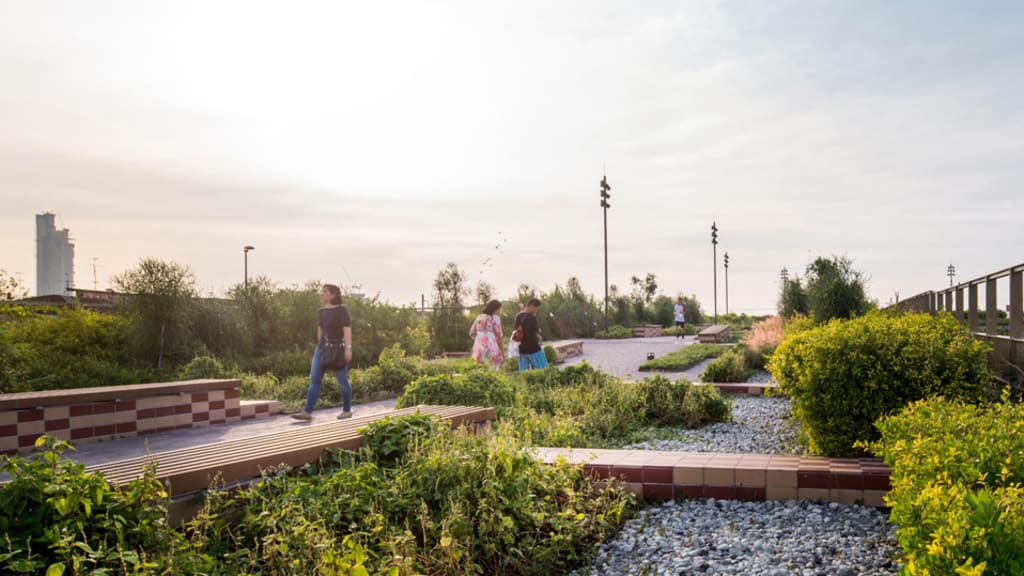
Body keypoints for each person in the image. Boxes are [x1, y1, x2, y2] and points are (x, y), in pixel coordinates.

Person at [292, 284, 353, 421]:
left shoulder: (342, 310)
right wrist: (319, 345)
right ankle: (307, 412)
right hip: (322, 349)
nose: (321, 294)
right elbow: (320, 330)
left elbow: (347, 330)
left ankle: (347, 410)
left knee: (342, 380)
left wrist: (348, 348)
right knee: (314, 379)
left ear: (333, 295)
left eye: (325, 292)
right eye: (322, 291)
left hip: (338, 348)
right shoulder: (320, 312)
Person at [470, 299, 505, 369]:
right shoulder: (495, 318)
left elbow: (471, 332)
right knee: (494, 367)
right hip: (491, 345)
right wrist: (502, 351)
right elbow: (499, 336)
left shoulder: (479, 317)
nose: (500, 311)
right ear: (495, 309)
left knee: (480, 368)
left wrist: (479, 338)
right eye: (499, 309)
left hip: (478, 346)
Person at [515, 298, 547, 371]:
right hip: (533, 348)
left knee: (524, 373)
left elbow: (518, 329)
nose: (536, 310)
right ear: (532, 306)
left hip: (522, 349)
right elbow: (537, 330)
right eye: (536, 308)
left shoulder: (518, 316)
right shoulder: (531, 317)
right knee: (544, 370)